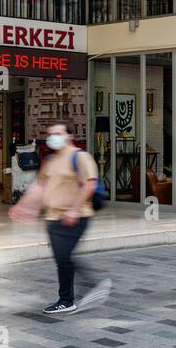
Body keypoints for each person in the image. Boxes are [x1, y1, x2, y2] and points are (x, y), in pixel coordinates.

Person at [9, 123, 110, 314]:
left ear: (70, 136)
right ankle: (88, 287)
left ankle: (67, 299)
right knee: (62, 257)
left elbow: (89, 185)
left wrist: (74, 209)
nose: (53, 137)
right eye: (51, 134)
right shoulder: (50, 160)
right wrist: (24, 206)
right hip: (53, 217)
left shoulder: (80, 157)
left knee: (63, 257)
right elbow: (39, 187)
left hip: (77, 216)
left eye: (58, 133)